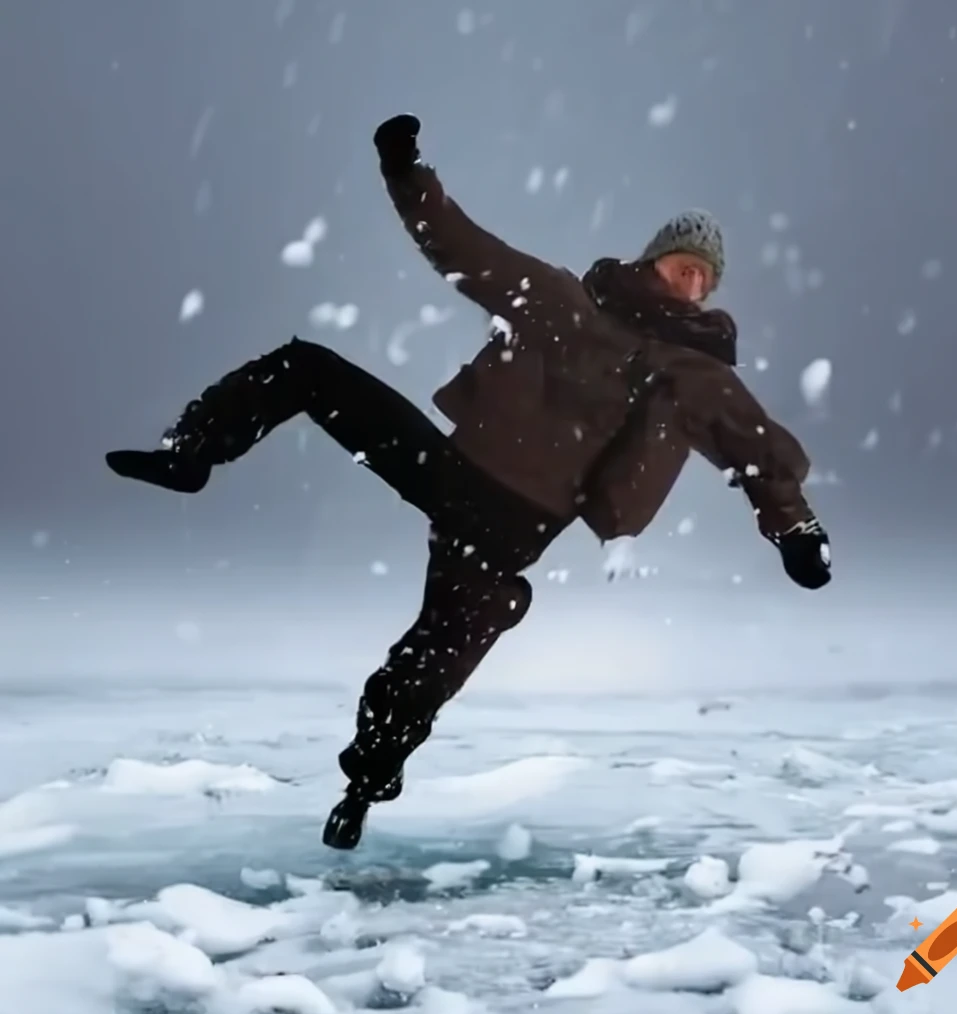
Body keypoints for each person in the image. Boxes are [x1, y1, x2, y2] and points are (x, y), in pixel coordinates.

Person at [106, 113, 831, 850]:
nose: (693, 283)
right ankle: (191, 453)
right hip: (454, 479)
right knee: (306, 367)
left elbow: (756, 445)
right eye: (684, 265)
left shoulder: (693, 372)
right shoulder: (561, 301)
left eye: (705, 279)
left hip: (520, 525)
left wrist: (797, 531)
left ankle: (361, 787)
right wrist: (404, 173)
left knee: (431, 658)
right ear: (655, 262)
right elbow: (465, 248)